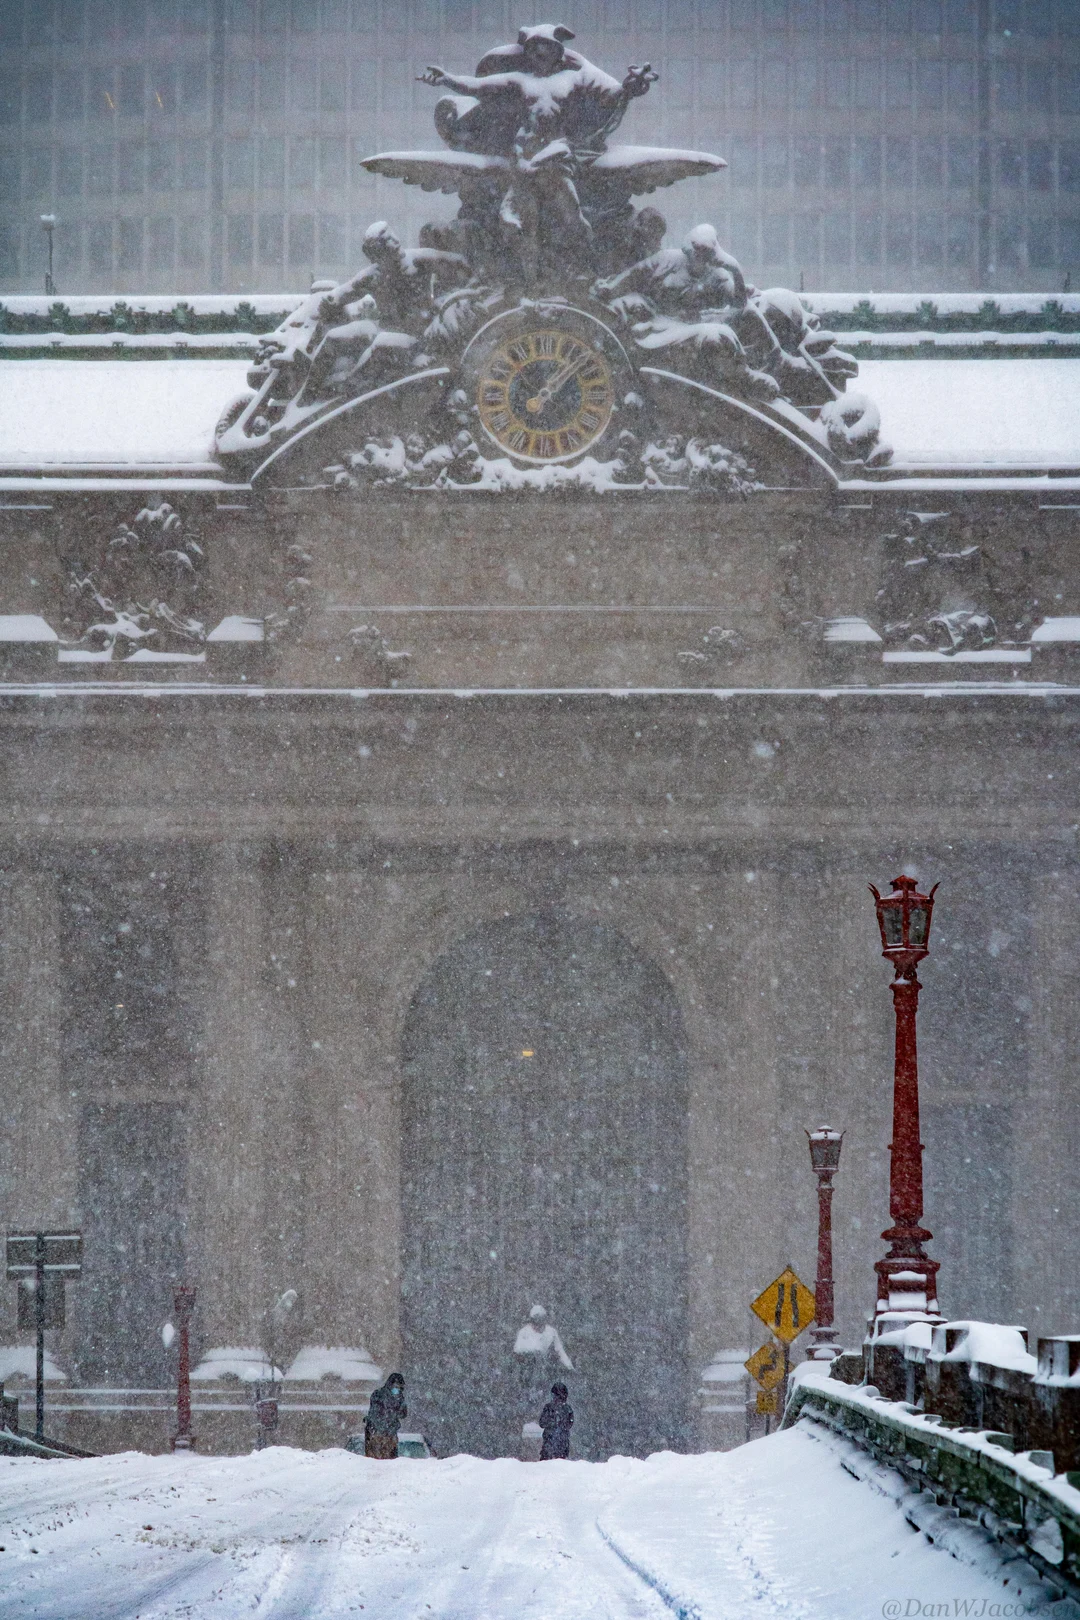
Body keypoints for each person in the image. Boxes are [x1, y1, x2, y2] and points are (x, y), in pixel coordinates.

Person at [364, 1371, 407, 1459]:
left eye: (399, 1387)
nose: (397, 1389)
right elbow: (375, 1414)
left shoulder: (400, 1398)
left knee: (390, 1459)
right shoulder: (378, 1394)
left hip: (391, 1432)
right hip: (377, 1433)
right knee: (375, 1458)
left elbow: (403, 1414)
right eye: (395, 1387)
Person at [538, 1382, 573, 1460]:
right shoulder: (566, 1409)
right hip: (556, 1445)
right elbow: (569, 1424)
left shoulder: (565, 1409)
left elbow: (542, 1423)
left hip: (554, 1445)